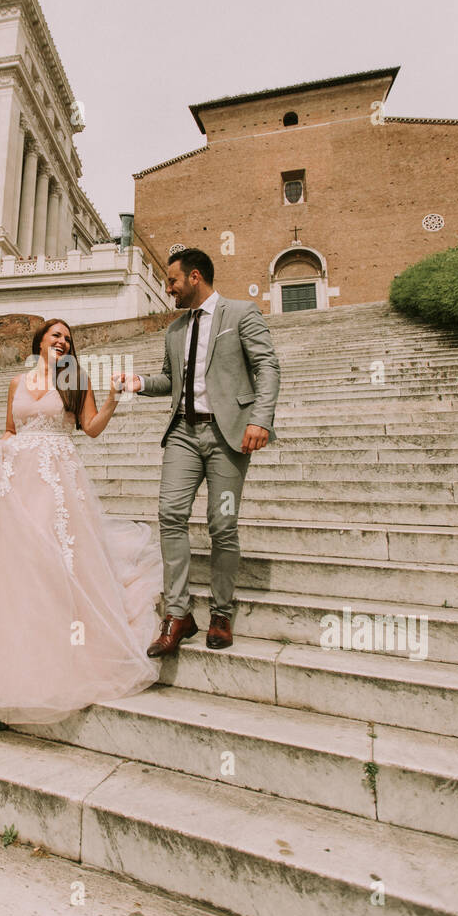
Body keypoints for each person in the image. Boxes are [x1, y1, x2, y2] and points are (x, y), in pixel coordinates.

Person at [0, 318, 162, 724]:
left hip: (56, 479)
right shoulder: (16, 383)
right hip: (14, 478)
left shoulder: (75, 380)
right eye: (56, 335)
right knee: (15, 564)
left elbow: (90, 429)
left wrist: (111, 399)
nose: (62, 341)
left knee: (53, 558)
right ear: (40, 341)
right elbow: (10, 430)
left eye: (68, 339)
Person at [117, 248, 281, 657]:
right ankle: (178, 614)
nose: (167, 288)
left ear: (194, 277)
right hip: (183, 436)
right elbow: (171, 381)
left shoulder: (241, 313)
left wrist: (260, 419)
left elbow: (268, 367)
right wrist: (139, 382)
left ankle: (222, 613)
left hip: (228, 436)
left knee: (222, 525)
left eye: (171, 281)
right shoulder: (174, 330)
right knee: (170, 515)